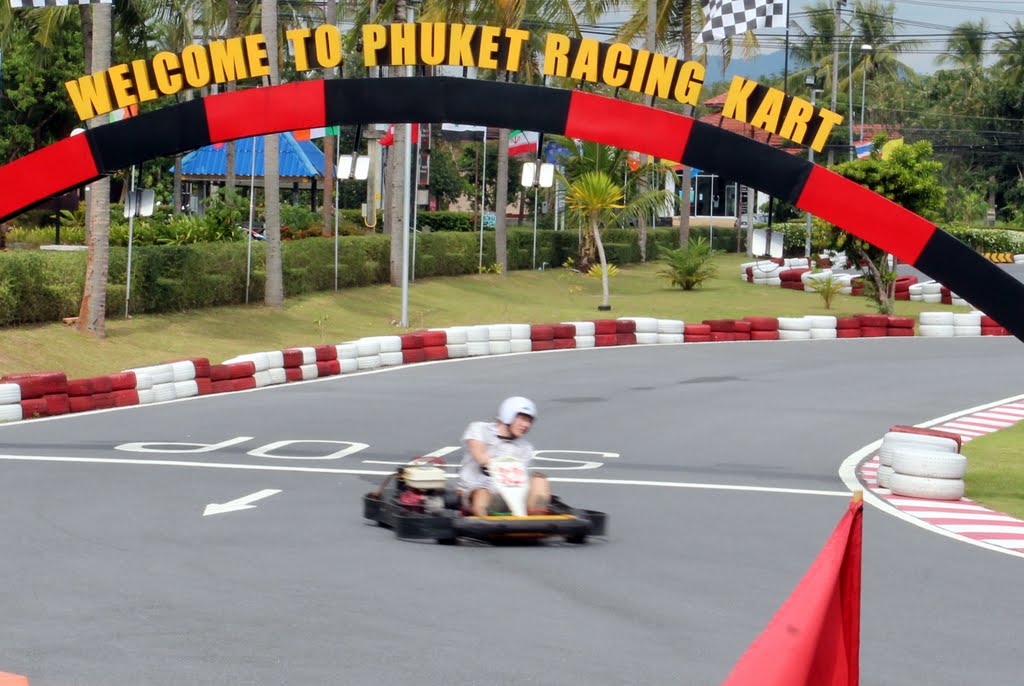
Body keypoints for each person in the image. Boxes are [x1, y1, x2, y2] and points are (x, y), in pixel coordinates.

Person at [459, 396, 550, 517]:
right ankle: (484, 522)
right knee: (482, 492)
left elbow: (520, 479)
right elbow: (480, 456)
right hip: (477, 489)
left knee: (539, 480)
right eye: (523, 419)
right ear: (508, 415)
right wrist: (496, 464)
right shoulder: (479, 429)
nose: (526, 425)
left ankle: (537, 521)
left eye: (529, 421)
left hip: (510, 493)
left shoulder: (525, 447)